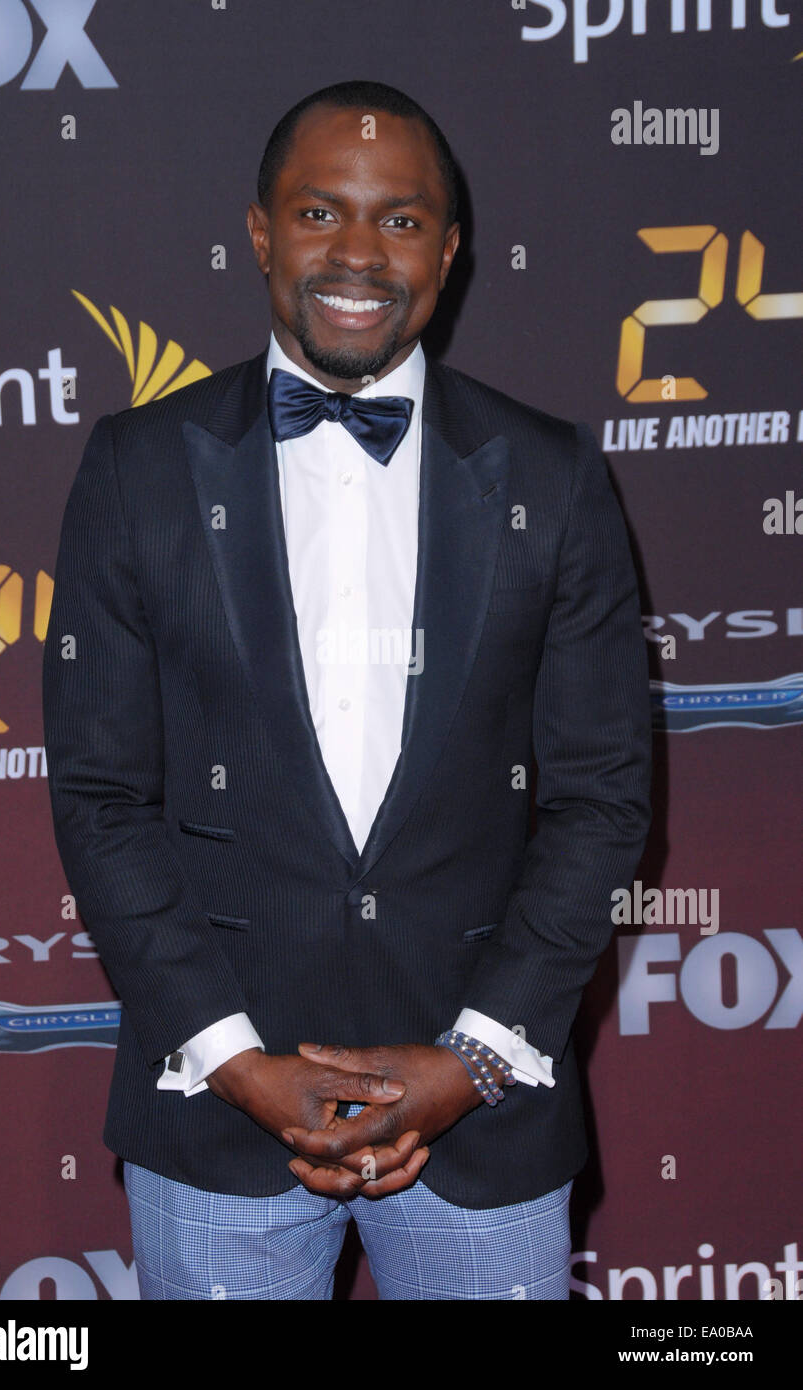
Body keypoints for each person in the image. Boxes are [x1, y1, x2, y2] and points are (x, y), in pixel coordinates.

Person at [42, 79, 652, 1301]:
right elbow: (103, 796)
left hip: (484, 1117)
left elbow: (600, 802)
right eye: (320, 211)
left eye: (402, 219)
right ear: (261, 232)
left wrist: (468, 1061)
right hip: (214, 1115)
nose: (358, 253)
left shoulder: (553, 475)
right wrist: (234, 1063)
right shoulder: (137, 467)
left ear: (449, 247)